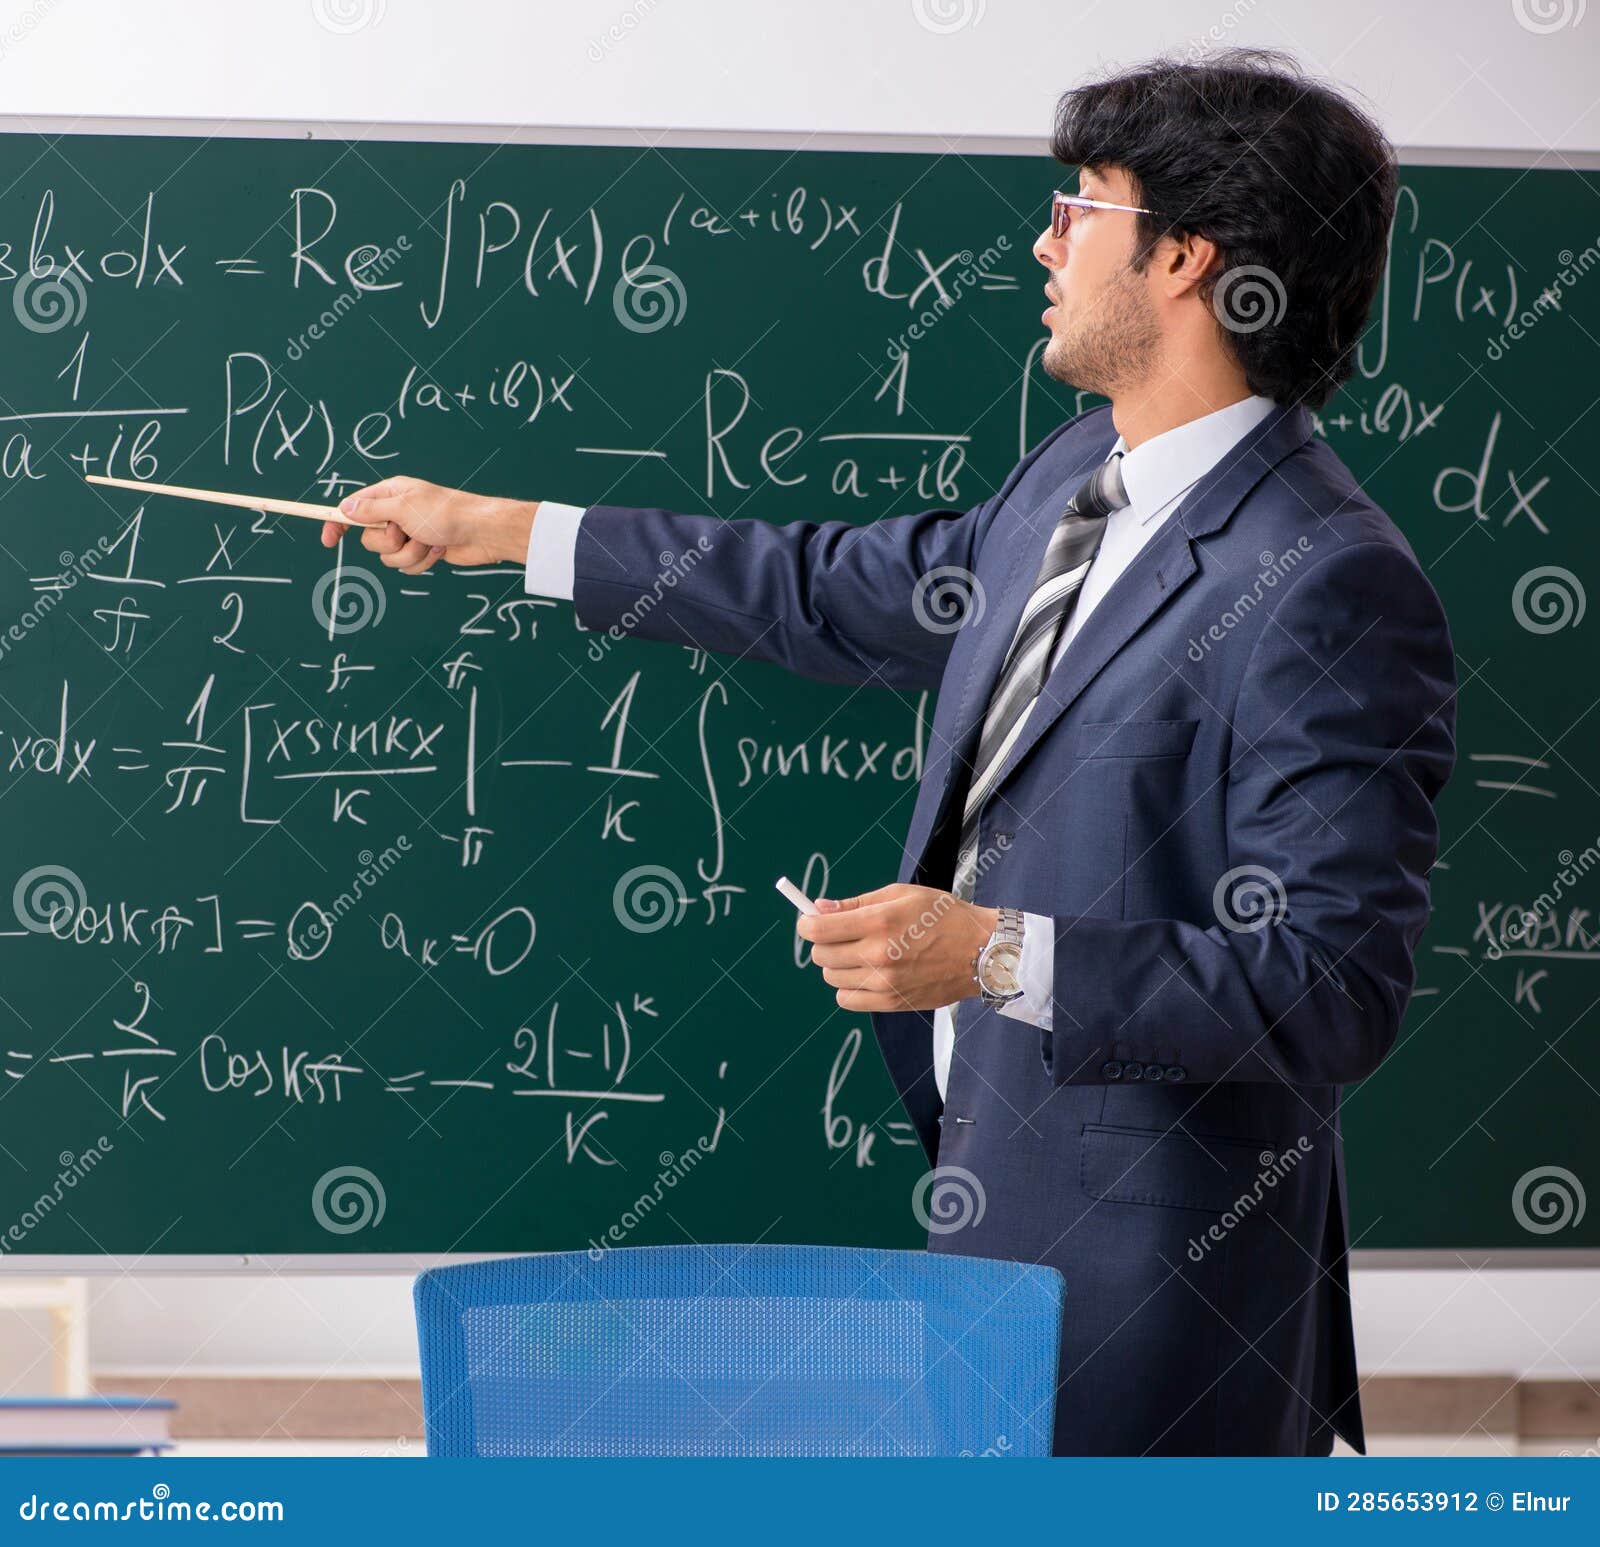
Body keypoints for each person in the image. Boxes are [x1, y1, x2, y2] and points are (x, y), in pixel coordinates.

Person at [320, 49, 1457, 1455]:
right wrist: (502, 528)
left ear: (1187, 259)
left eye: (1084, 204)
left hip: (1164, 1300)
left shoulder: (1326, 578)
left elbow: (1333, 988)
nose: (1045, 239)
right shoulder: (1070, 480)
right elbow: (830, 585)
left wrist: (992, 954)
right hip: (994, 1244)